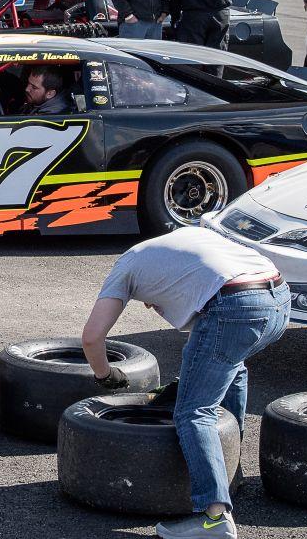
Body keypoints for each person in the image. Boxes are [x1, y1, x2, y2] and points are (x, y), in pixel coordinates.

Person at [81, 227, 289, 539]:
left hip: (236, 304)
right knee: (233, 370)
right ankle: (229, 468)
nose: (152, 307)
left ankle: (213, 518)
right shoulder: (185, 243)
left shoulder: (124, 268)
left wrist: (105, 376)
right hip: (279, 298)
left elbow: (92, 338)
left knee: (193, 411)